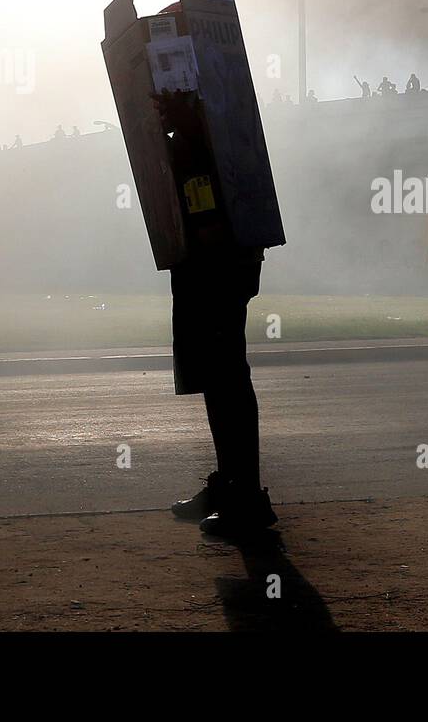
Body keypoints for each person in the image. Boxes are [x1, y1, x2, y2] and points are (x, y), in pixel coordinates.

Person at [159, 90, 278, 536]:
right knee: (221, 377)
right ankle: (232, 483)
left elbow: (205, 214)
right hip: (226, 268)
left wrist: (210, 266)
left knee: (226, 380)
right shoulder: (222, 137)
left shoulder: (194, 145)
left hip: (213, 273)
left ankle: (246, 494)